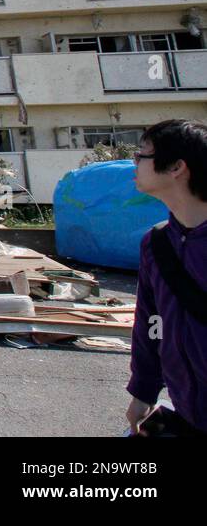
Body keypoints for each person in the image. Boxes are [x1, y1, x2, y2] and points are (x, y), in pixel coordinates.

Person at [126, 119, 207, 437]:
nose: (135, 162)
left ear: (176, 167)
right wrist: (142, 392)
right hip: (187, 413)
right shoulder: (156, 243)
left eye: (142, 155)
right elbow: (150, 322)